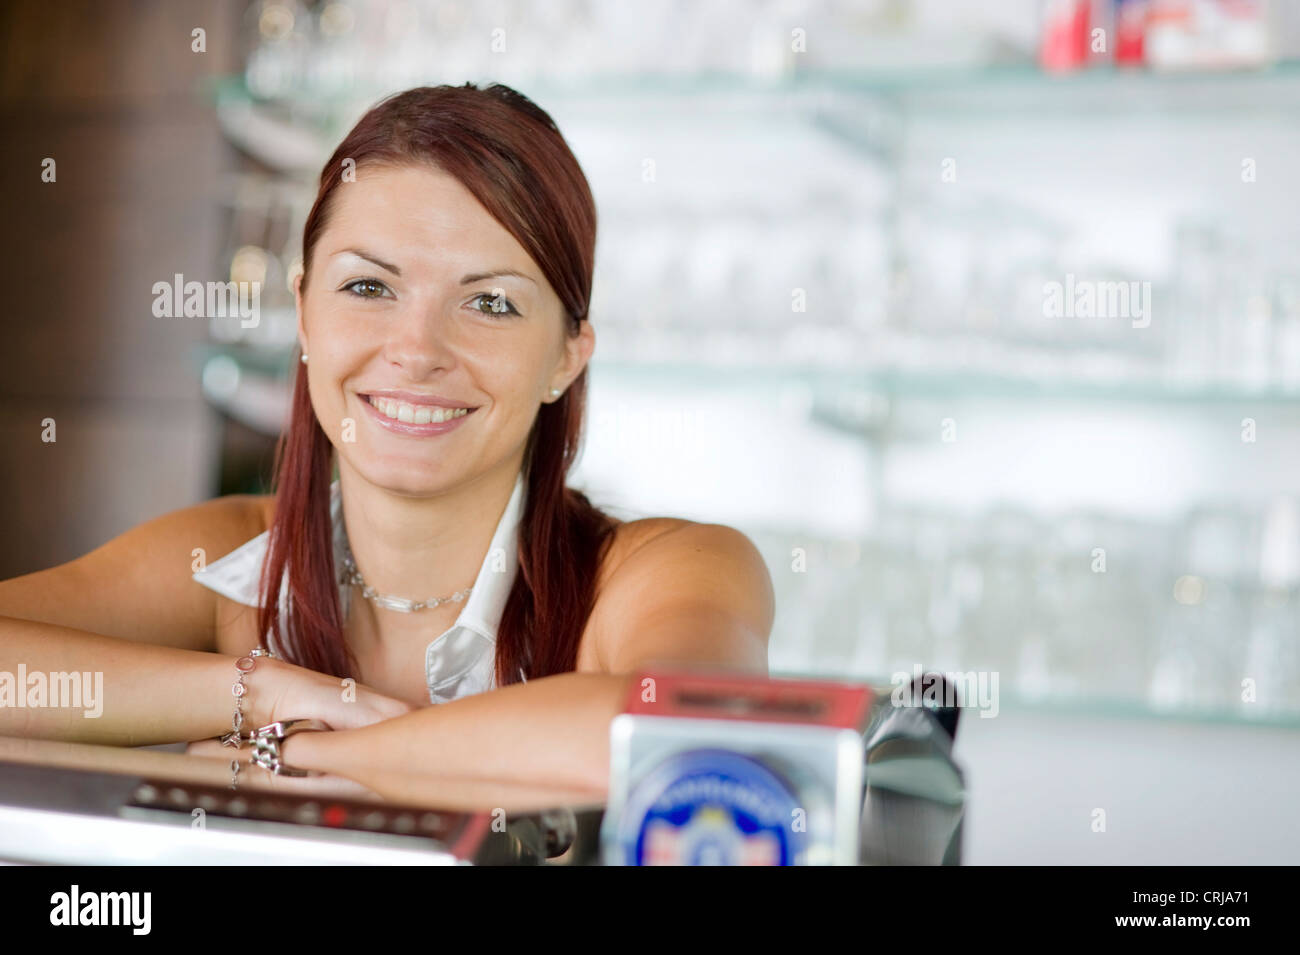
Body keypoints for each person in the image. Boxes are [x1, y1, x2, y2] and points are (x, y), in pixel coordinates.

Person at [0, 83, 773, 795]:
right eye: (369, 287)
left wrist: (309, 750)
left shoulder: (663, 573)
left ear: (565, 356)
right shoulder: (230, 562)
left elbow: (686, 734)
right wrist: (257, 690)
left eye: (492, 303)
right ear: (303, 316)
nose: (417, 350)